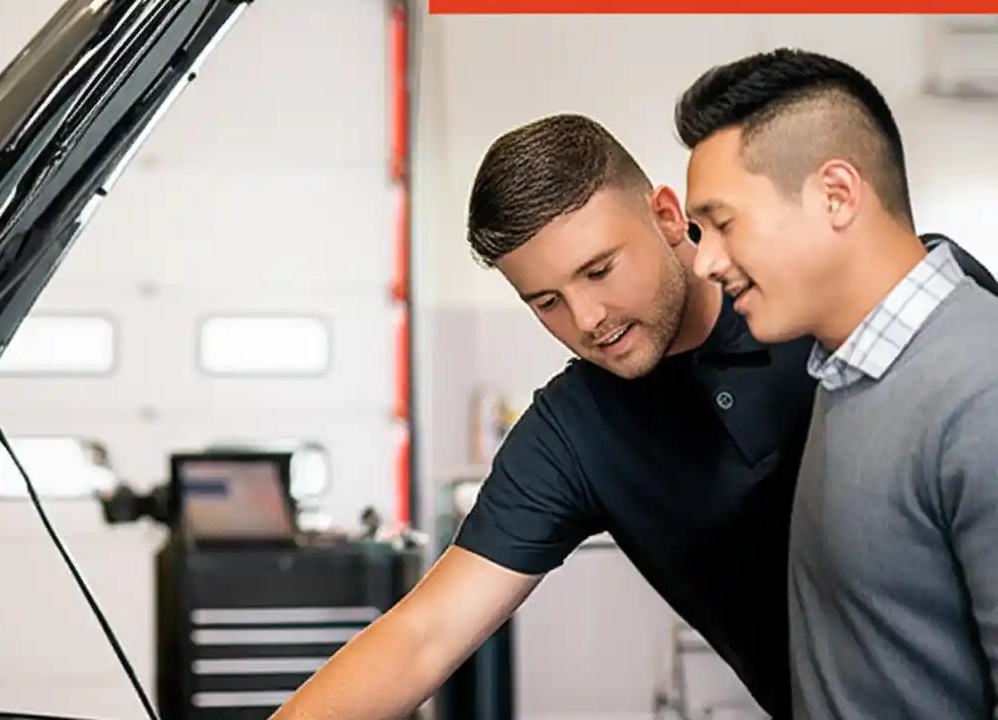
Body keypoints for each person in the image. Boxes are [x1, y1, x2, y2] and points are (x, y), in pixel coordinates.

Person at [268, 113, 996, 720]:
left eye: (599, 270)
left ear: (667, 214)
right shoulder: (574, 433)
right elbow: (423, 635)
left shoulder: (819, 305)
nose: (587, 320)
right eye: (545, 302)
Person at [676, 47, 998, 719]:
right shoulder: (846, 370)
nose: (704, 262)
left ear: (837, 195)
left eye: (724, 223)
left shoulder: (980, 387)